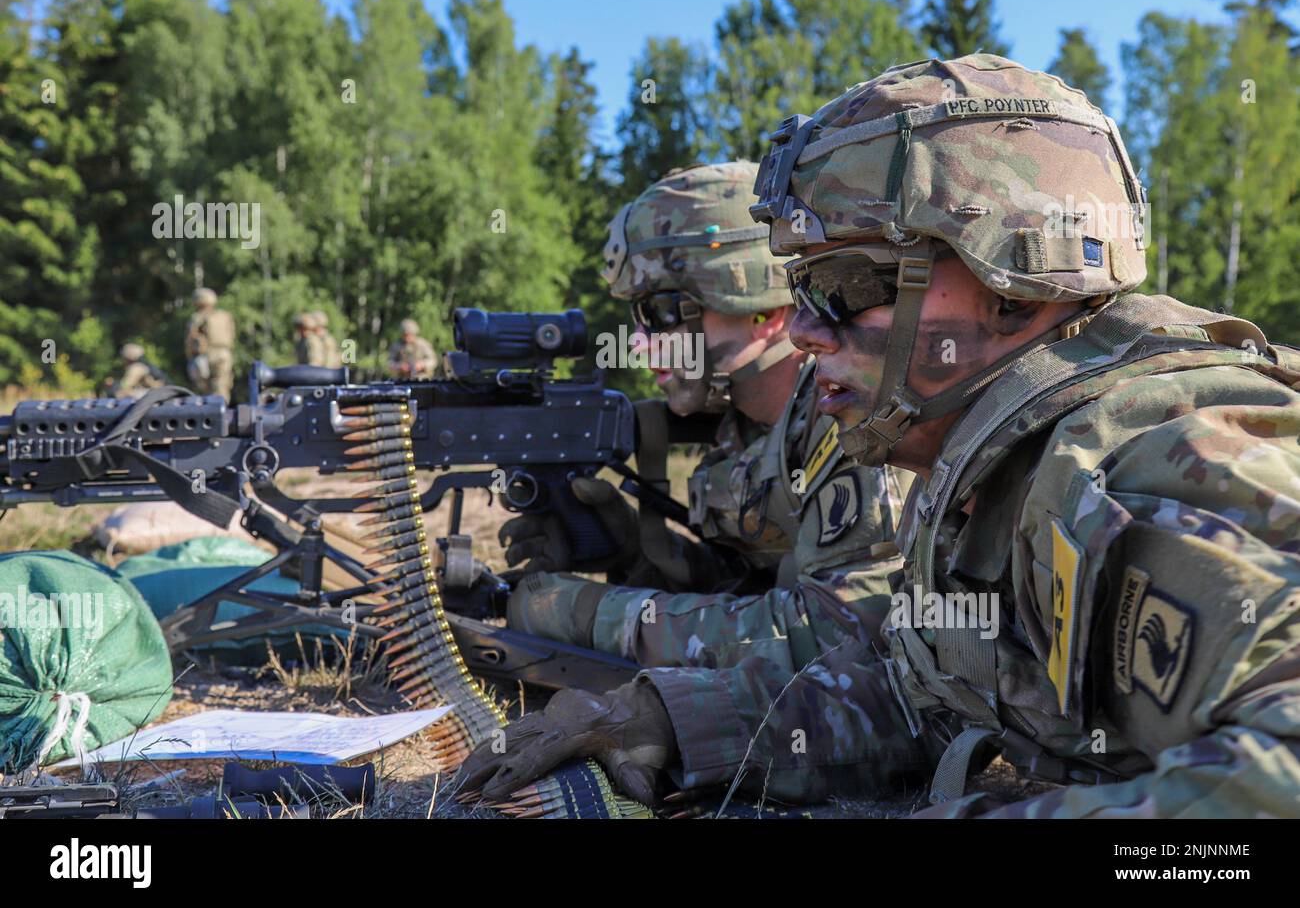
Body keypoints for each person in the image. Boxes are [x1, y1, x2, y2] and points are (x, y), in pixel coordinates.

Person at [456, 54, 1300, 817]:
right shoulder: (988, 471)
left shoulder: (1158, 463)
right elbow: (916, 698)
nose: (804, 333)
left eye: (845, 284)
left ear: (1016, 287)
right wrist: (665, 721)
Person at [502, 160, 913, 678]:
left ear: (763, 308)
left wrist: (589, 615)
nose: (639, 342)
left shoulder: (853, 411)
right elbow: (758, 587)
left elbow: (843, 637)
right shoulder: (741, 420)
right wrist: (638, 553)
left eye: (661, 311)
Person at [185, 287, 236, 399]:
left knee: (205, 388)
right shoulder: (224, 315)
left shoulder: (198, 317)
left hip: (206, 354)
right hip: (225, 353)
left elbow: (191, 337)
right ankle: (223, 409)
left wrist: (189, 355)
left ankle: (209, 411)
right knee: (222, 385)